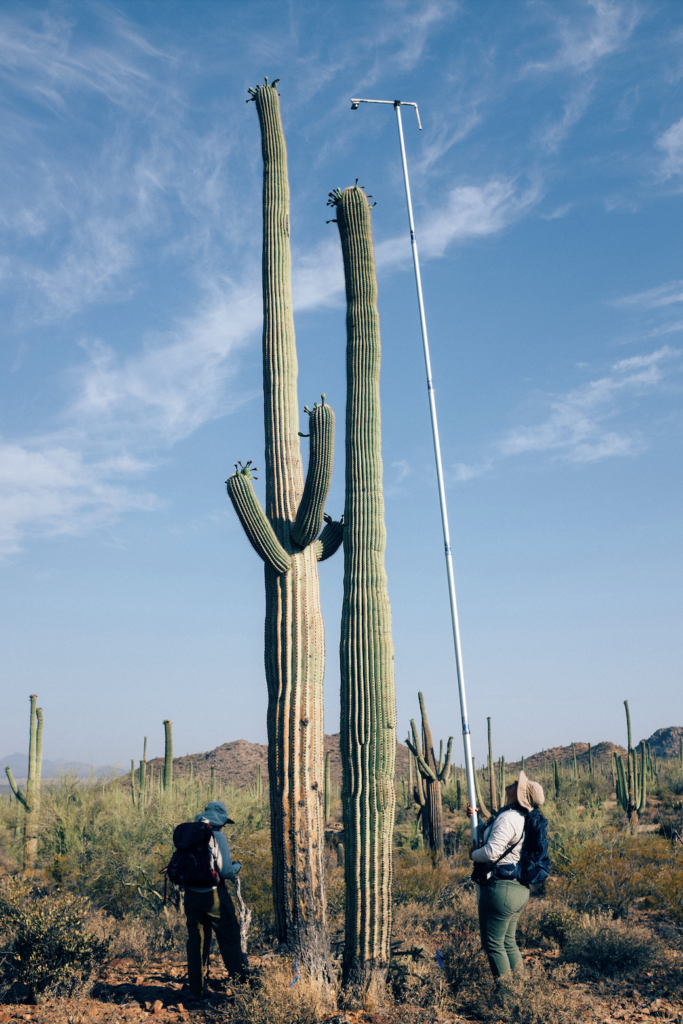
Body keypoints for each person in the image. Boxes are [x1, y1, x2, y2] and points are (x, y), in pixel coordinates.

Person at [467, 770, 545, 981]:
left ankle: (506, 997)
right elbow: (499, 838)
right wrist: (476, 817)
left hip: (501, 890)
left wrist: (473, 854)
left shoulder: (509, 817)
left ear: (519, 795)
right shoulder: (520, 817)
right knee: (508, 942)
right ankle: (520, 991)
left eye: (517, 784)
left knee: (493, 944)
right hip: (518, 889)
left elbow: (491, 852)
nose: (512, 783)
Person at [183, 800, 245, 1001]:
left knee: (197, 942)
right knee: (229, 938)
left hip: (191, 896)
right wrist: (237, 866)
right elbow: (226, 871)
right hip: (213, 896)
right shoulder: (218, 837)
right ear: (220, 821)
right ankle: (240, 987)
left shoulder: (189, 834)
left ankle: (196, 991)